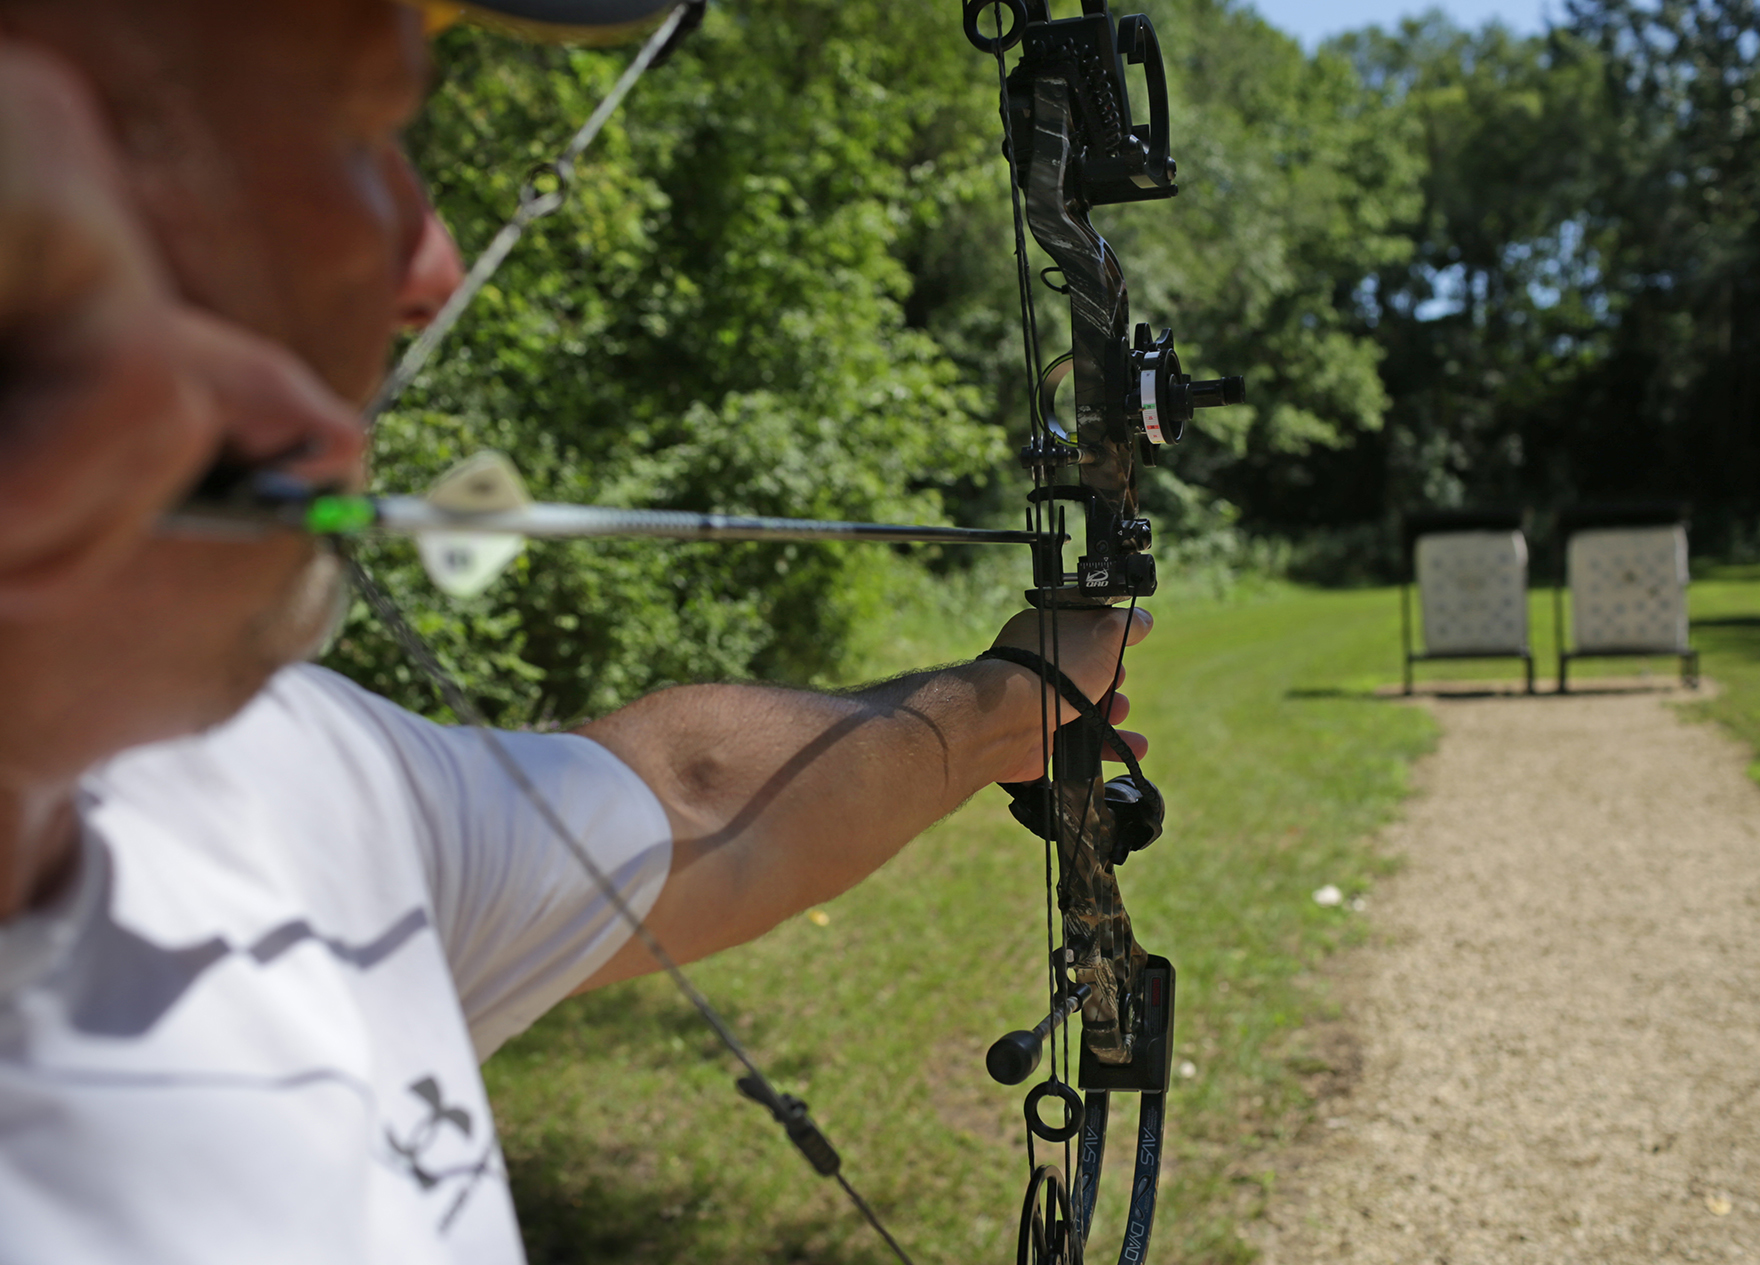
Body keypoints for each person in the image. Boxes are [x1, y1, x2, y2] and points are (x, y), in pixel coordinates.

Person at [0, 0, 1152, 1259]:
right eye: (352, 127)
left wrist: (1010, 695)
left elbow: (688, 798)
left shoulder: (283, 776)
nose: (427, 263)